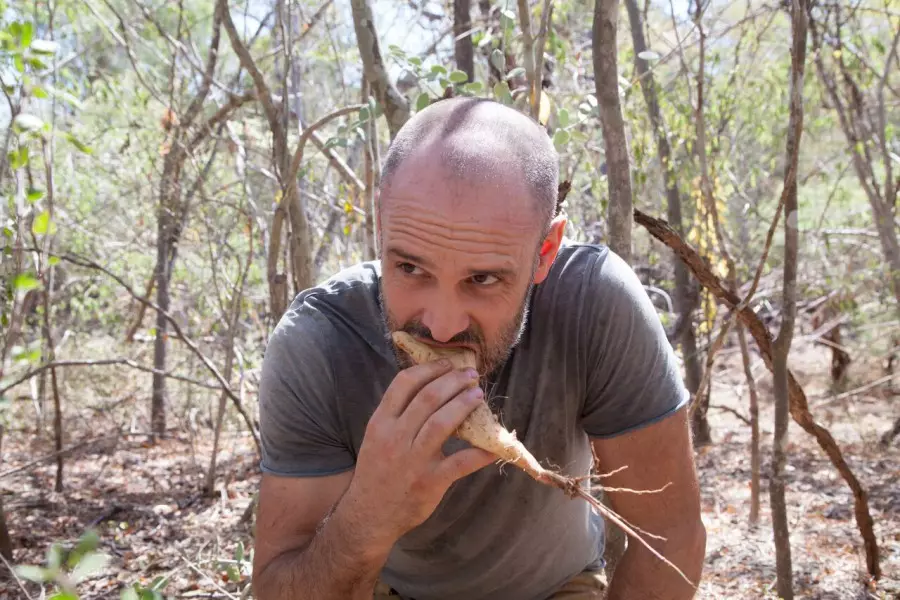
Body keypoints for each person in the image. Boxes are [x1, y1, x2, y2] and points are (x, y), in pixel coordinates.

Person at [251, 96, 706, 600]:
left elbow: (671, 535)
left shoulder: (594, 305)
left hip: (558, 587)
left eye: (483, 278)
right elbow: (277, 587)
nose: (441, 327)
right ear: (381, 225)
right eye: (410, 269)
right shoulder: (319, 343)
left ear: (545, 252)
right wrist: (368, 516)